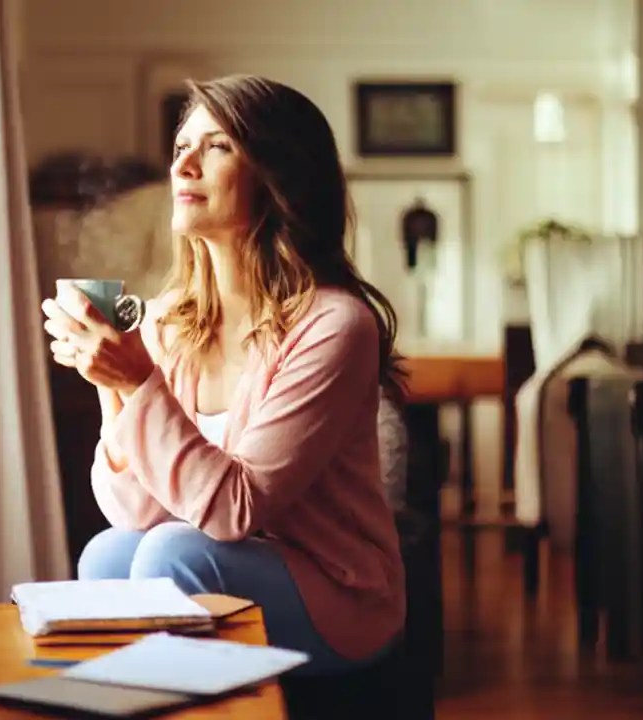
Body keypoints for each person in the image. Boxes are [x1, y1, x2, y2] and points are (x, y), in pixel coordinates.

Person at [40, 74, 407, 675]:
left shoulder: (336, 326)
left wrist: (138, 384)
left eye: (216, 146)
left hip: (337, 599)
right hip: (213, 556)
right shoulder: (167, 320)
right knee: (109, 554)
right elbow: (132, 511)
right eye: (182, 146)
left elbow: (236, 511)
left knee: (175, 552)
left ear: (277, 176)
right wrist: (110, 380)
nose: (183, 164)